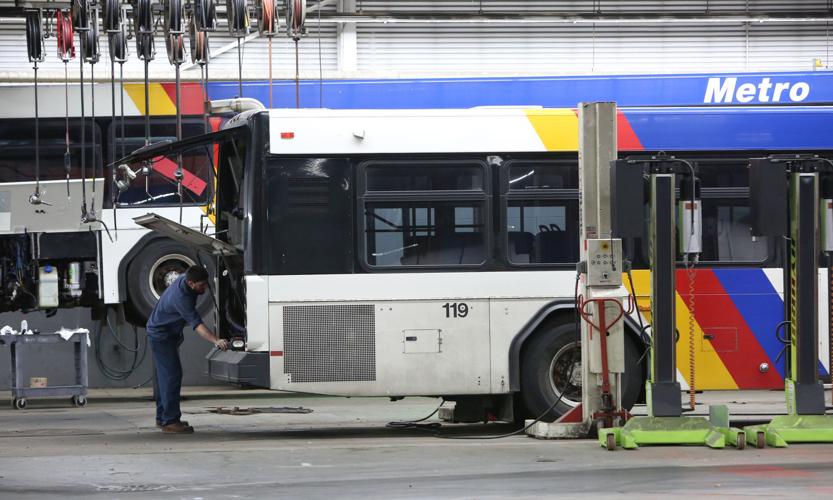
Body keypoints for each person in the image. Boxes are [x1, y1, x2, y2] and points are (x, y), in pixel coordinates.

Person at [146, 264, 228, 433]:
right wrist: (216, 340)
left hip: (162, 333)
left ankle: (163, 418)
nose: (205, 288)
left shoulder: (186, 278)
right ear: (191, 284)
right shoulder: (181, 297)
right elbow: (197, 325)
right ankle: (170, 421)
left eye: (206, 283)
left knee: (165, 377)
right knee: (171, 375)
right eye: (201, 285)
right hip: (162, 336)